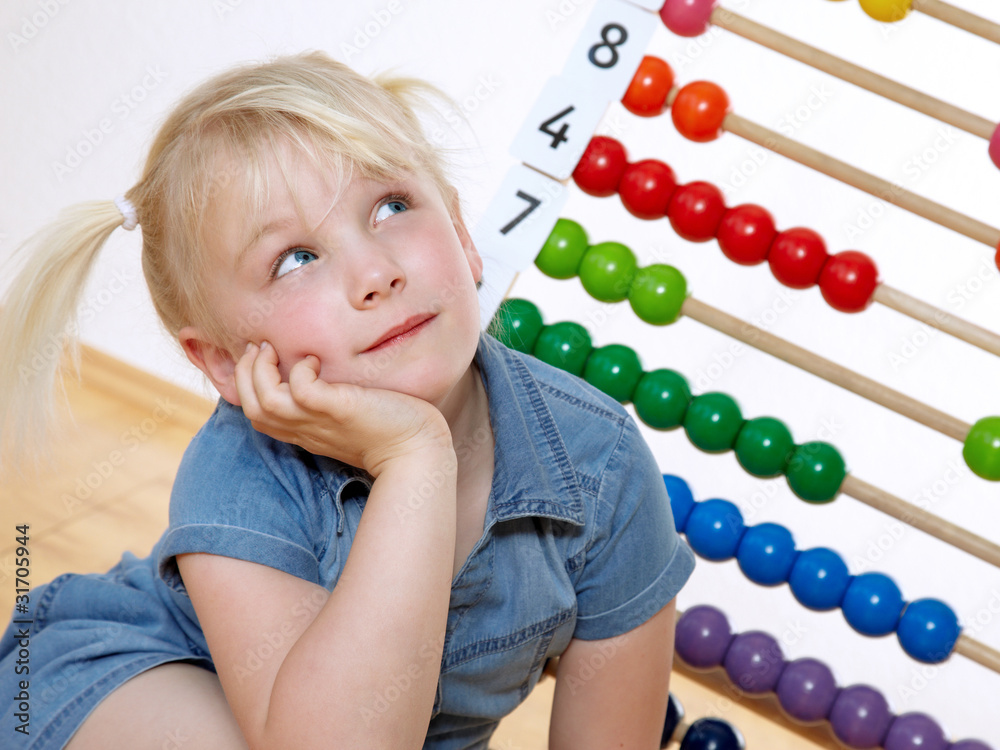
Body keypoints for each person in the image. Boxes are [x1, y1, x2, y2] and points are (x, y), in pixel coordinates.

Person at [0, 51, 695, 749]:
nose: (375, 272)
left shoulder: (599, 467)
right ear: (222, 361)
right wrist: (415, 457)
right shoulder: (243, 475)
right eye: (295, 259)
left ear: (460, 232)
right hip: (129, 681)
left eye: (392, 207)